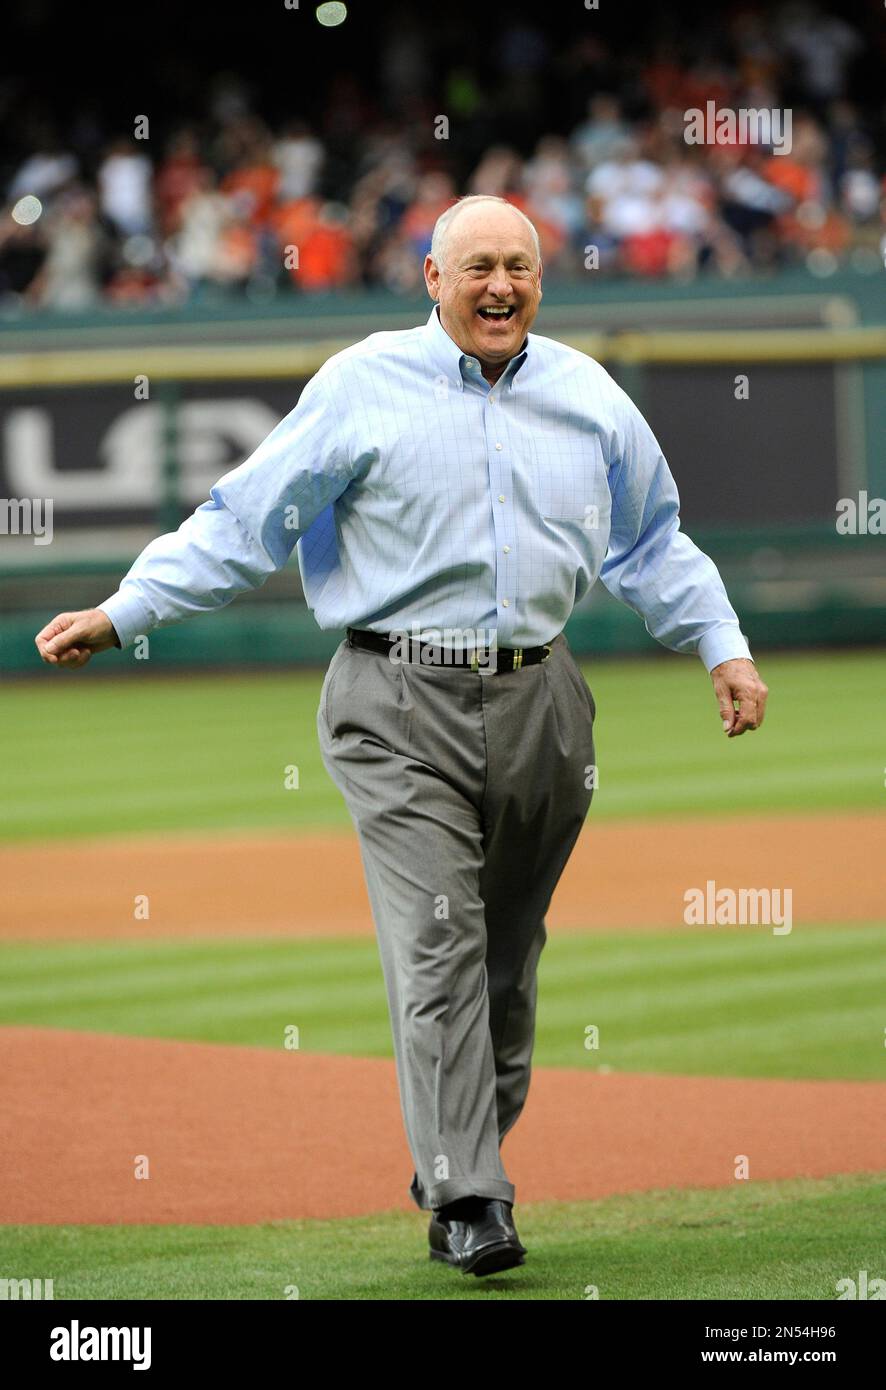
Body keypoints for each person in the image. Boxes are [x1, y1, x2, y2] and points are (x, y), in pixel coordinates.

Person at [35, 194, 768, 1278]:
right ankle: (472, 1195)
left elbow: (653, 542)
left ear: (539, 279)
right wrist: (124, 611)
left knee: (506, 969)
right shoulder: (362, 383)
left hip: (543, 701)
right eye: (475, 267)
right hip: (392, 699)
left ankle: (451, 1156)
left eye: (517, 266)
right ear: (431, 279)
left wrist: (723, 646)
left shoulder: (587, 395)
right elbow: (245, 523)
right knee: (440, 949)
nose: (499, 286)